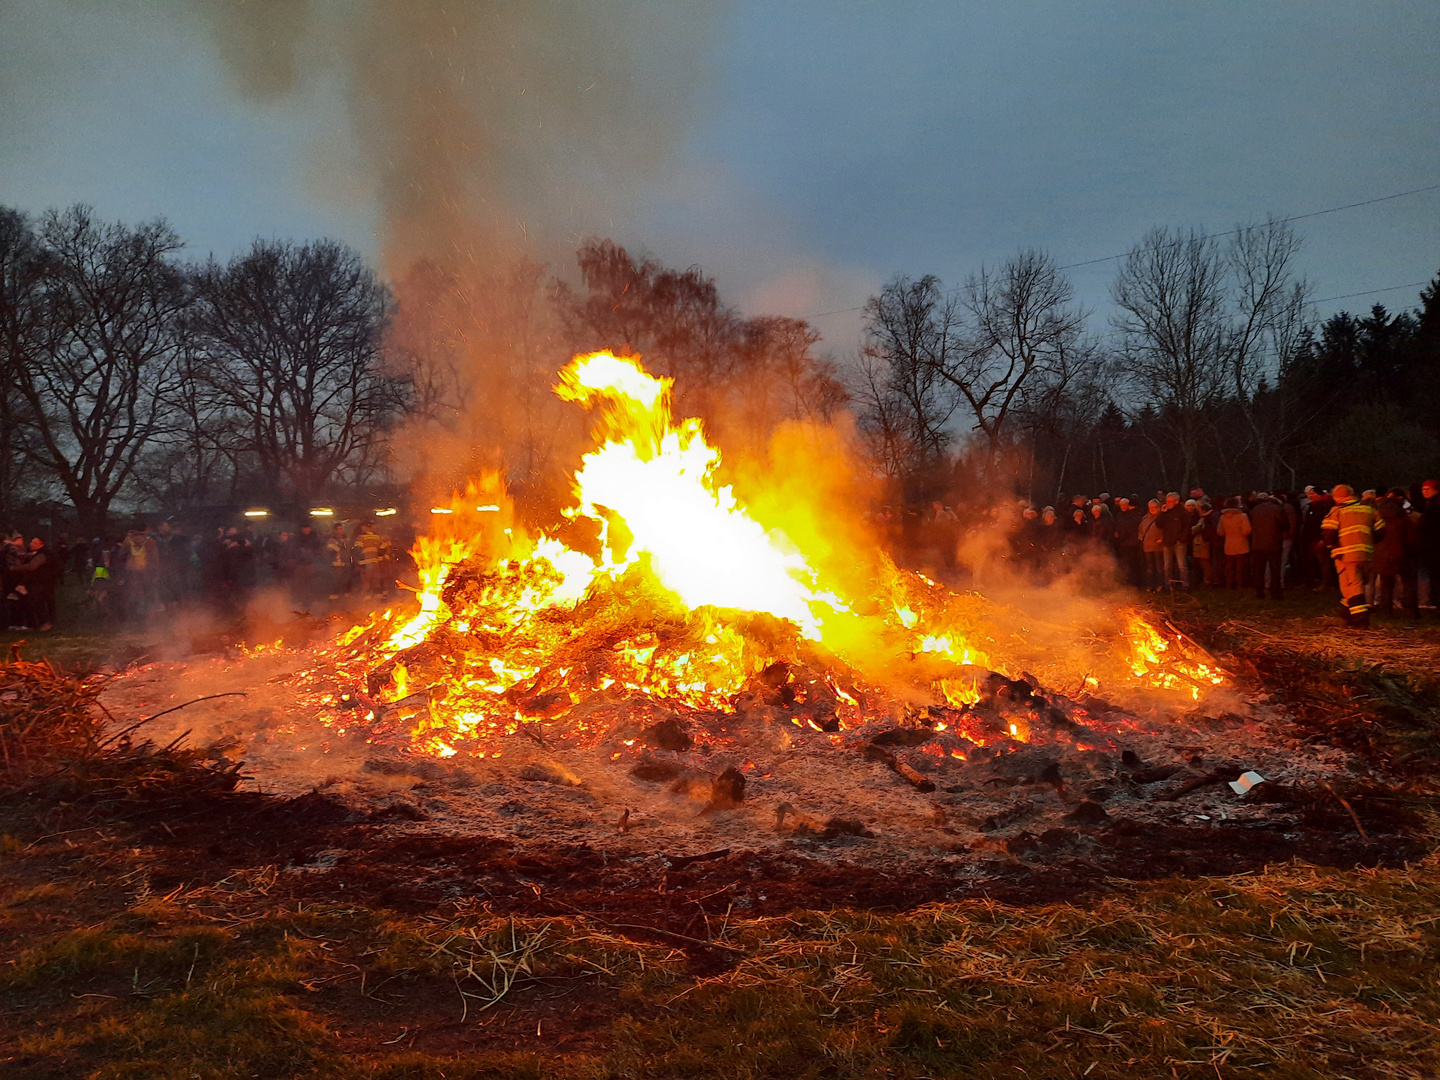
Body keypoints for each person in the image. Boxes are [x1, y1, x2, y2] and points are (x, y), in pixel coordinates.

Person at [1322, 483, 1385, 627]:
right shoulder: (1369, 510)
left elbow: (1329, 535)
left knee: (1353, 586)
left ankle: (1360, 620)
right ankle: (1345, 613)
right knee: (1355, 585)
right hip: (1366, 555)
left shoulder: (1337, 511)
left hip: (1345, 556)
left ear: (1338, 497)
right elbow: (1381, 533)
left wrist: (1330, 545)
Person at [1373, 489, 1413, 617]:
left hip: (1383, 553)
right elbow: (1411, 537)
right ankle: (1413, 610)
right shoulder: (1404, 517)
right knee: (1408, 582)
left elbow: (1376, 534)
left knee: (1386, 584)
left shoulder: (1378, 516)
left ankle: (1387, 611)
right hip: (1402, 552)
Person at [1248, 493, 1289, 600]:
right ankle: (1275, 592)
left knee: (1259, 569)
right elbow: (1284, 524)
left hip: (1257, 544)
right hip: (1273, 543)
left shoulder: (1255, 510)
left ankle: (1259, 591)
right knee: (1275, 569)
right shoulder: (1276, 509)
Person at [1217, 496, 1252, 590]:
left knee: (1229, 566)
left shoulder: (1223, 517)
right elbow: (1246, 531)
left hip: (1228, 544)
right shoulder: (1242, 516)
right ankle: (1239, 585)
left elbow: (1220, 532)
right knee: (1240, 567)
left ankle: (1229, 584)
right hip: (1241, 544)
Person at [1157, 492, 1190, 590]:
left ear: (1176, 501)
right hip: (1167, 542)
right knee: (1167, 566)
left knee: (1182, 566)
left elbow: (1187, 527)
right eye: (1167, 501)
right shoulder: (1166, 512)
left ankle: (1185, 585)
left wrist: (1181, 539)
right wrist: (1162, 513)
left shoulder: (1183, 513)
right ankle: (1168, 585)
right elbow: (1158, 525)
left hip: (1178, 542)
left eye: (1170, 501)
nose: (1168, 503)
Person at [1417, 479, 1440, 614]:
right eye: (1423, 490)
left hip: (1433, 546)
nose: (1425, 492)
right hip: (1431, 546)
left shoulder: (1434, 505)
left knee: (1434, 575)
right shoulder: (1429, 504)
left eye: (1428, 489)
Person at [1139, 499, 1166, 591]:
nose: (1152, 509)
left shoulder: (1162, 517)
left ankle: (1160, 584)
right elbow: (1141, 530)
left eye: (1154, 507)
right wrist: (1141, 539)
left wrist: (1162, 538)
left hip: (1158, 546)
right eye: (1150, 507)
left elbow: (1166, 529)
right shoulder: (1145, 518)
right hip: (1147, 546)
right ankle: (1150, 585)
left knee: (1159, 567)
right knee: (1150, 568)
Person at [1190, 499, 1217, 587]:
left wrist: (1190, 530)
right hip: (1205, 543)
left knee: (1205, 564)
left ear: (1203, 510)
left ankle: (1208, 581)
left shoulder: (1204, 519)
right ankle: (1208, 580)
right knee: (1206, 564)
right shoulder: (1212, 516)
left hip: (1202, 544)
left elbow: (1196, 529)